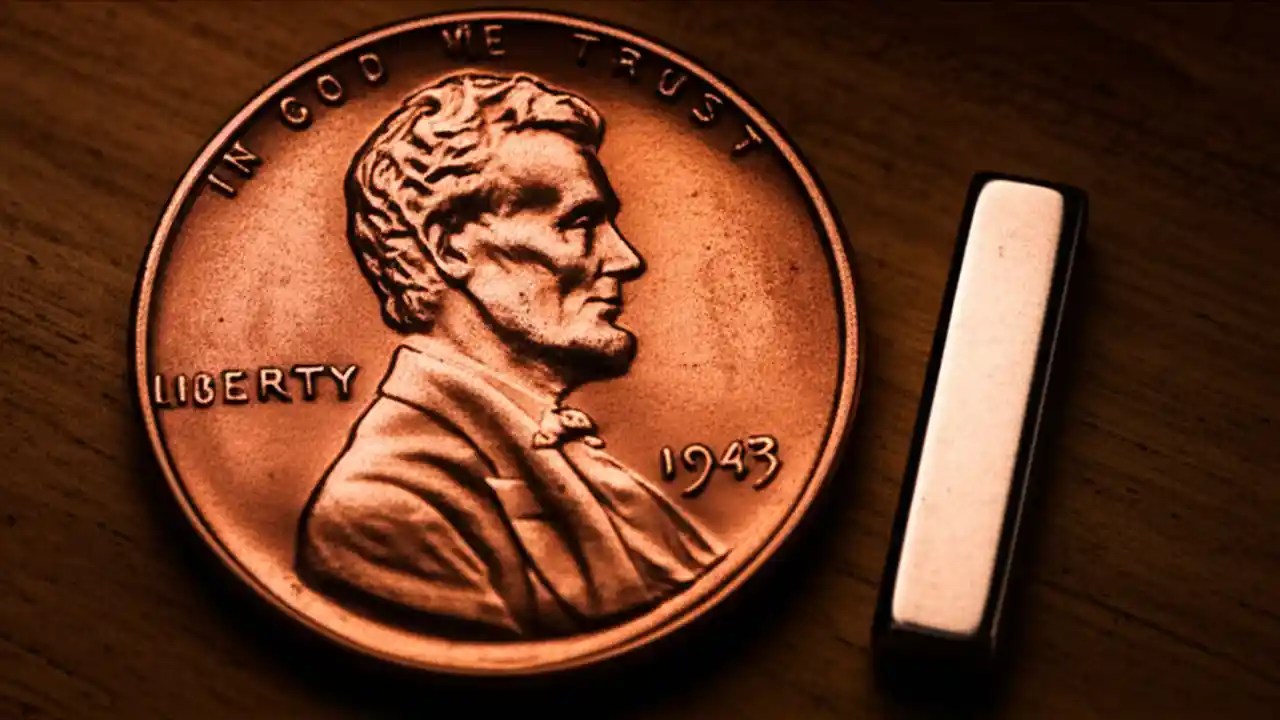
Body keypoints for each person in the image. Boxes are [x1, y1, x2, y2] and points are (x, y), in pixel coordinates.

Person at [296, 72, 727, 638]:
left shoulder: (572, 455)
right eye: (580, 223)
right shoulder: (381, 506)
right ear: (449, 245)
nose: (626, 259)